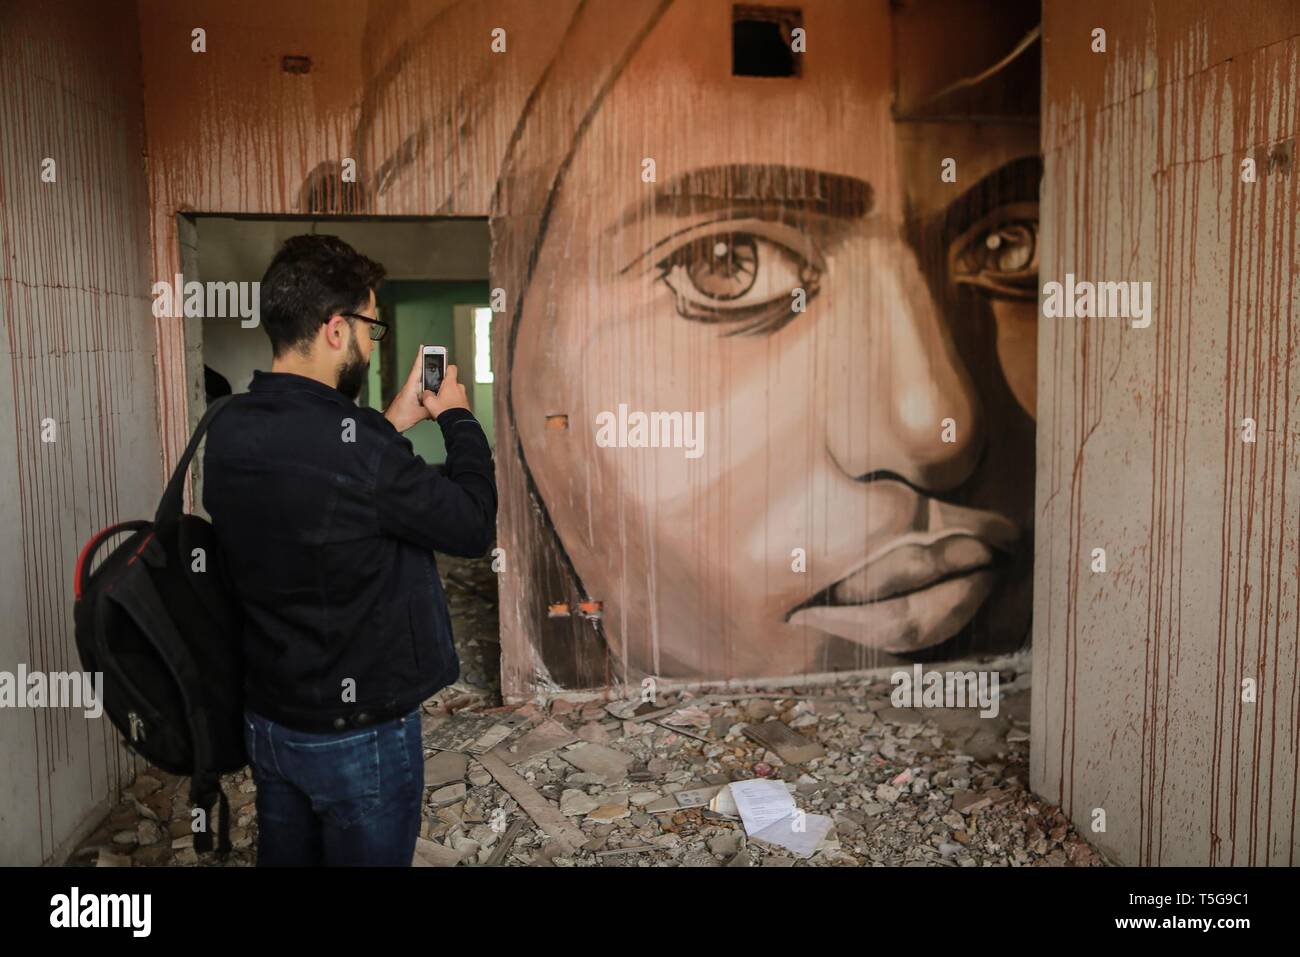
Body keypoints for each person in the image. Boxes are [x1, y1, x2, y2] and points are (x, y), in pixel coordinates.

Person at [202, 234, 497, 866]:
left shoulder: (227, 426)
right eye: (371, 326)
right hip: (359, 740)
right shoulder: (360, 449)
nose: (371, 341)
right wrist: (457, 417)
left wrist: (388, 423)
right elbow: (473, 524)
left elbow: (321, 481)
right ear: (337, 329)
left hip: (271, 724)